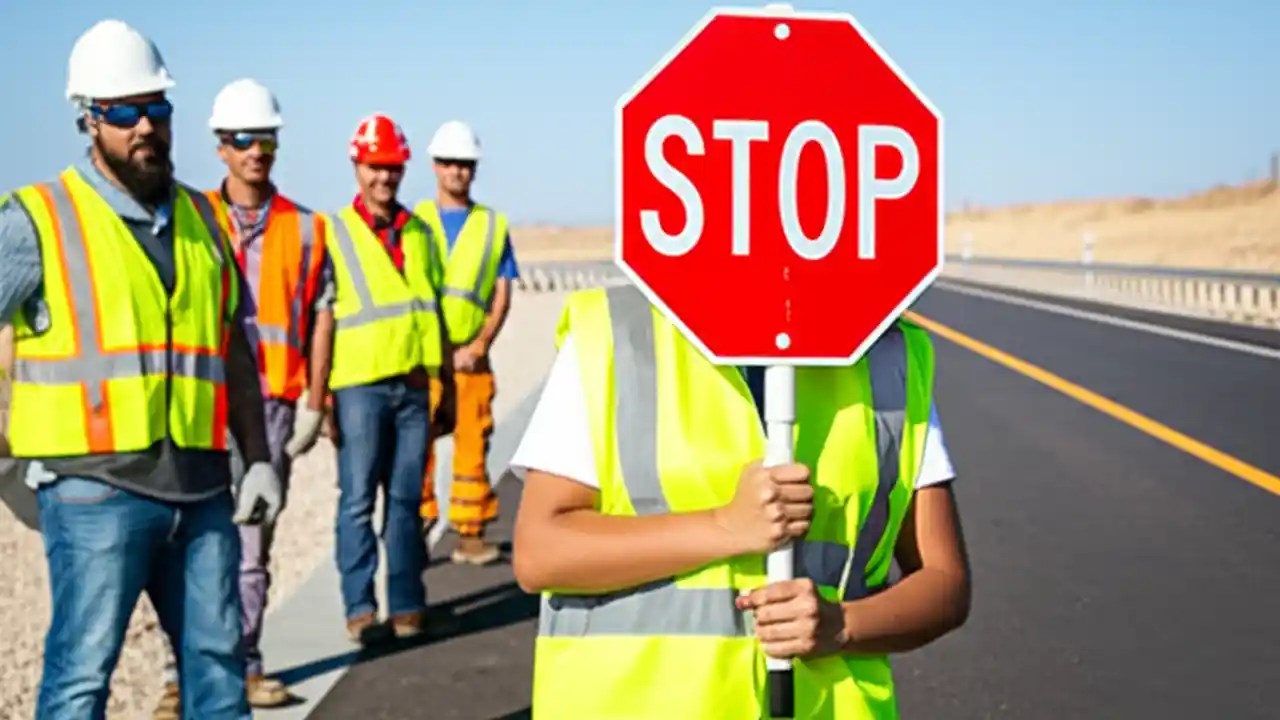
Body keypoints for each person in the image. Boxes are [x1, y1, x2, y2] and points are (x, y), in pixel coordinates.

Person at [511, 285, 972, 719]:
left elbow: (944, 582)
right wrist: (723, 528)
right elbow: (540, 551)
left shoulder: (887, 354)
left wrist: (843, 625)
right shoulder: (619, 330)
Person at [0, 19, 281, 720]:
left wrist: (260, 458)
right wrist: (6, 461)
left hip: (202, 488)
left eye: (156, 107)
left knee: (217, 681)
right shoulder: (37, 218)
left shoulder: (201, 218)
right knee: (80, 682)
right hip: (96, 493)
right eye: (124, 112)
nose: (144, 126)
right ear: (88, 119)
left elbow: (233, 349)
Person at [150, 77, 335, 718]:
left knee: (252, 548)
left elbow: (321, 316)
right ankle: (184, 677)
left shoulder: (308, 229)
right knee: (191, 548)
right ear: (221, 148)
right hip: (202, 404)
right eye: (243, 140)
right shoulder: (188, 217)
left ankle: (247, 666)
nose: (258, 150)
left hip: (276, 403)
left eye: (267, 139)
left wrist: (316, 397)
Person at [327, 113, 454, 643]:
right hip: (358, 385)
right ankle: (360, 607)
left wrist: (443, 383)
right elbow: (323, 316)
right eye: (375, 167)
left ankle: (405, 602)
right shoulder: (334, 232)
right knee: (357, 498)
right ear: (358, 167)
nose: (384, 178)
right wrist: (322, 400)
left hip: (414, 386)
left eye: (393, 168)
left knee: (405, 500)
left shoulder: (420, 232)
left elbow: (436, 310)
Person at [415, 120, 519, 565]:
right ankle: (414, 529)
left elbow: (502, 290)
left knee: (473, 443)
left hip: (472, 358)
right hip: (424, 357)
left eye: (465, 164)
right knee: (415, 448)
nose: (457, 171)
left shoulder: (492, 225)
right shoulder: (414, 221)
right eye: (449, 163)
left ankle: (470, 534)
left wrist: (480, 344)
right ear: (435, 166)